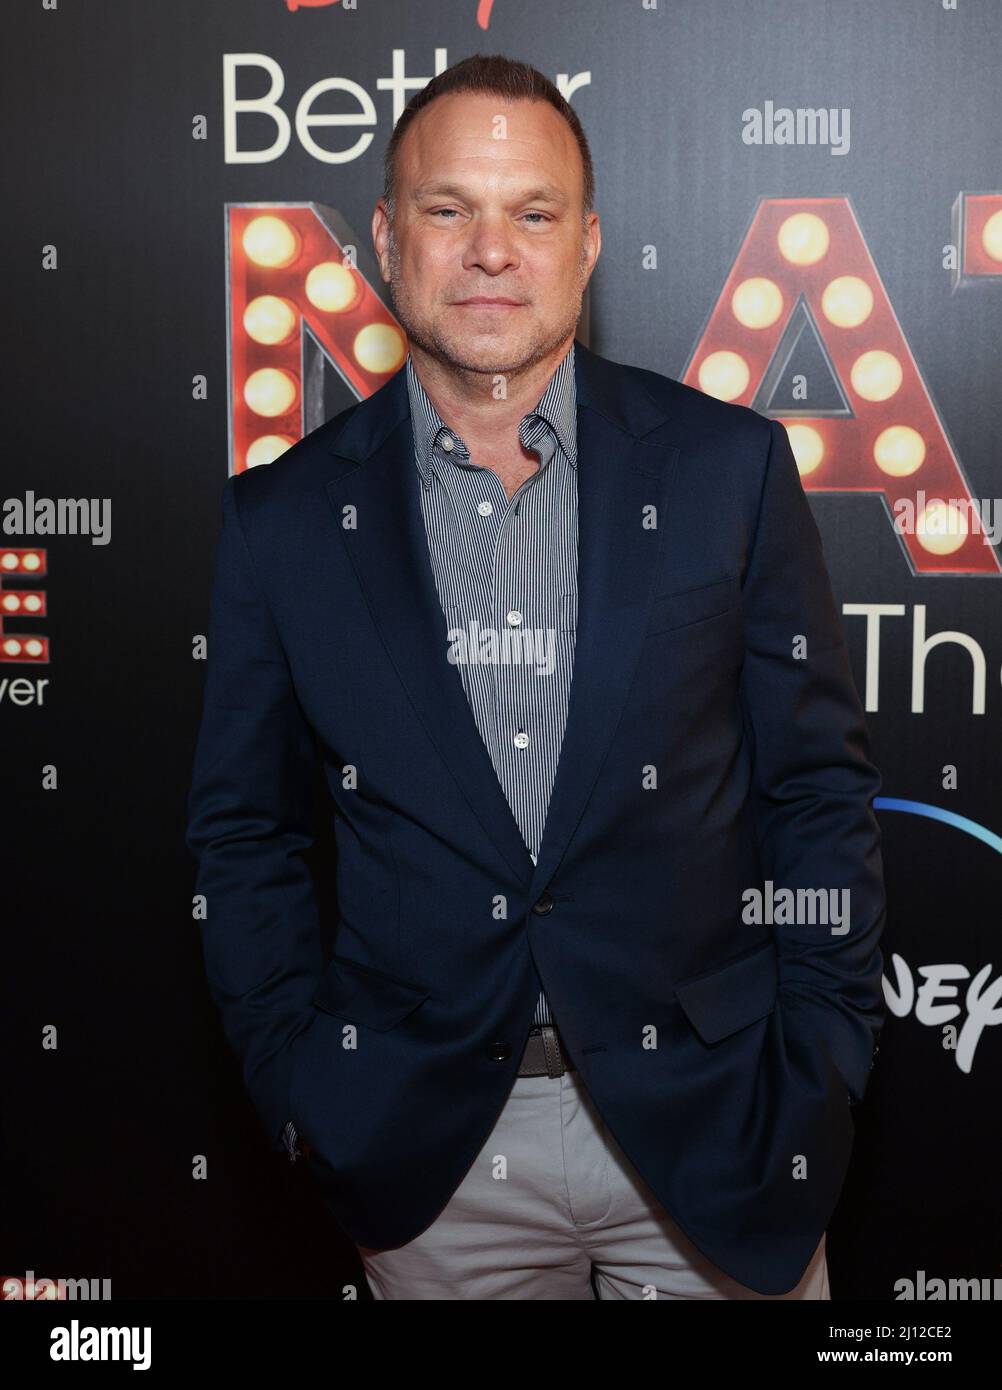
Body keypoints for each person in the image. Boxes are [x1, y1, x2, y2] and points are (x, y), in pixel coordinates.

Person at [185, 53, 885, 1300]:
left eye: (533, 212)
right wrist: (305, 1090)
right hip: (432, 1160)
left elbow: (819, 795)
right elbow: (245, 836)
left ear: (590, 243)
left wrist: (818, 1072)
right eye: (449, 209)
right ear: (388, 242)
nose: (491, 250)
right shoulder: (281, 523)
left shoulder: (729, 472)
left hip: (718, 1127)